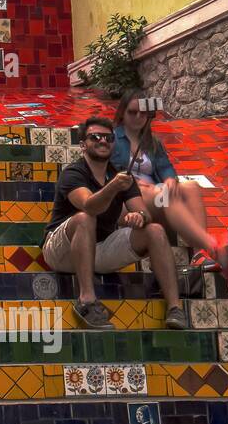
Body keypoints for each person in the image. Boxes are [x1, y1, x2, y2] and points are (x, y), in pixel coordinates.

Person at [43, 116, 186, 330]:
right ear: (83, 145)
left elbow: (144, 211)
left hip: (100, 250)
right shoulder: (73, 173)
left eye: (109, 138)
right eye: (95, 137)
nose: (103, 141)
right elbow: (89, 206)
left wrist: (139, 217)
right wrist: (113, 187)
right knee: (84, 218)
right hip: (61, 251)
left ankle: (175, 308)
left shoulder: (121, 176)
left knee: (155, 230)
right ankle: (86, 301)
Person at [113, 89, 228, 271]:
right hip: (128, 200)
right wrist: (132, 182)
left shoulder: (151, 141)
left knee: (190, 186)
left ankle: (199, 254)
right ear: (122, 113)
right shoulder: (113, 139)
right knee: (165, 195)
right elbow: (107, 172)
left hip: (155, 195)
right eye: (132, 112)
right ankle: (212, 245)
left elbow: (165, 167)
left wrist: (170, 179)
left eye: (142, 113)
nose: (138, 117)